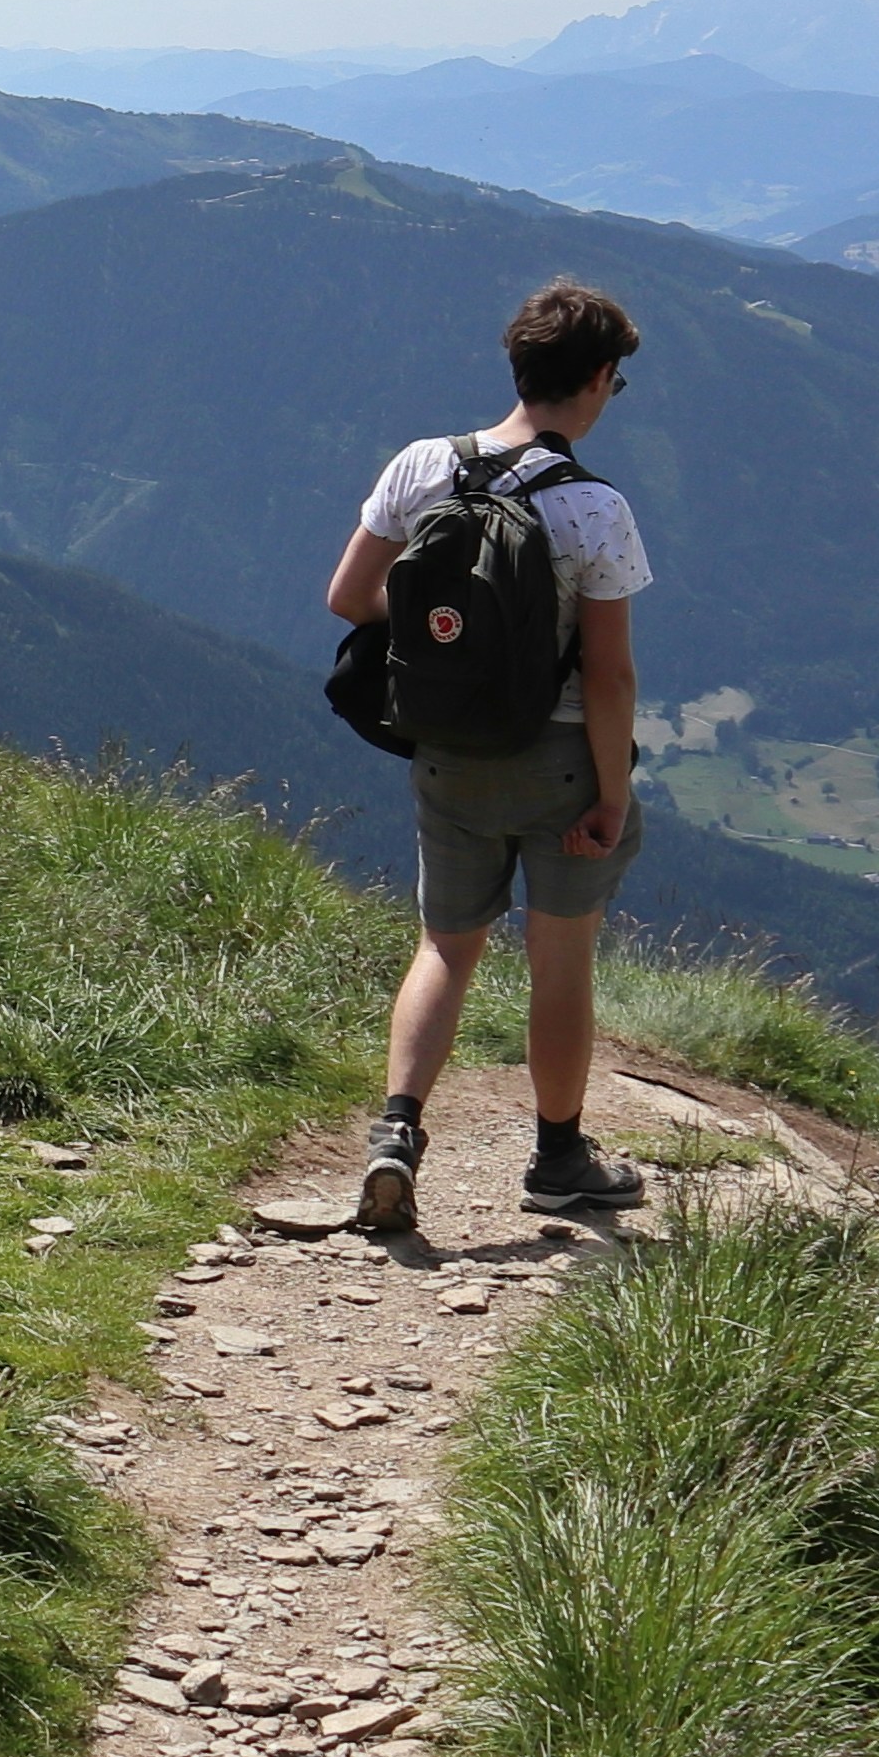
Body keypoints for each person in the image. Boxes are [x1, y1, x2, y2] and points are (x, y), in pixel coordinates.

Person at [323, 278, 655, 1233]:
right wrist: (612, 794)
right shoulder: (595, 509)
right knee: (560, 960)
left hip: (449, 750)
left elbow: (350, 597)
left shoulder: (425, 464)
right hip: (558, 763)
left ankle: (396, 1134)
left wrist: (449, 636)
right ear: (595, 379)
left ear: (517, 367)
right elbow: (608, 678)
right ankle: (558, 1161)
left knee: (445, 944)